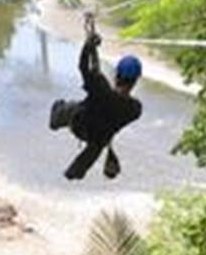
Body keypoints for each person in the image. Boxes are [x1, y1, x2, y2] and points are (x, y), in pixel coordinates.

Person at [49, 32, 143, 180]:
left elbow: (83, 67)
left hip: (78, 122)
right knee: (100, 140)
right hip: (95, 137)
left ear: (117, 74)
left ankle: (55, 121)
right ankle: (76, 170)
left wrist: (88, 47)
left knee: (64, 106)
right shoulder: (135, 110)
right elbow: (113, 103)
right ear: (136, 81)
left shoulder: (100, 88)